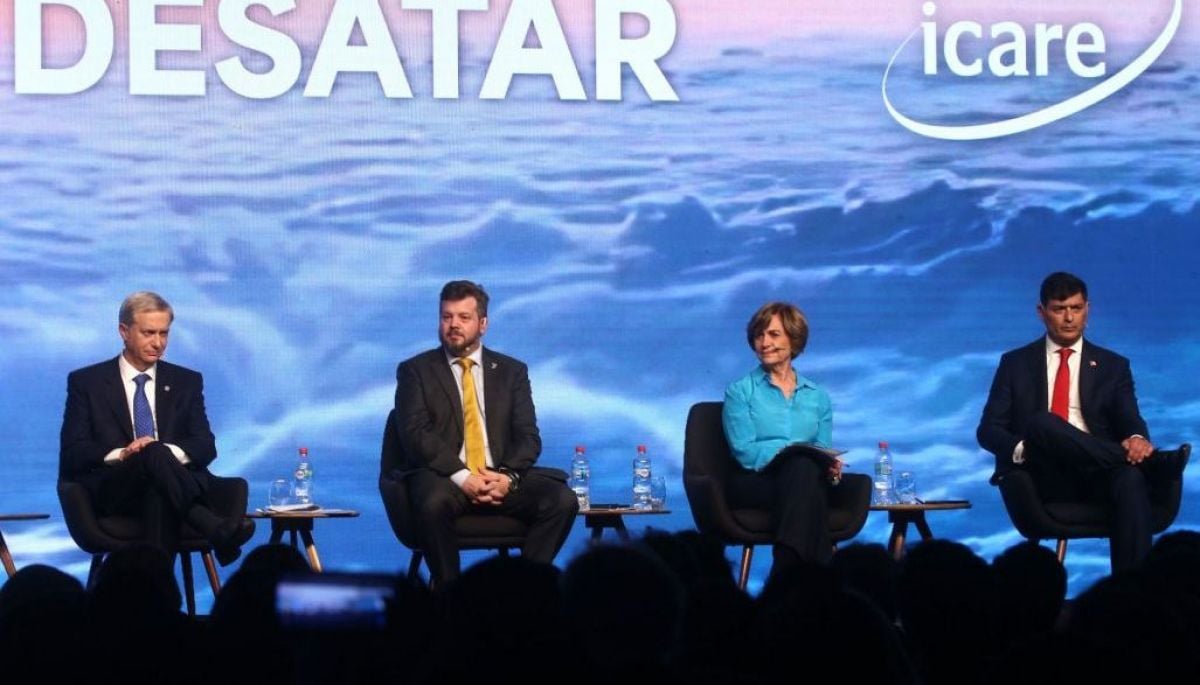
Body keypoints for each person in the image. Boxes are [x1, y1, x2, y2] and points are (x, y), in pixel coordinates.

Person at [977, 272, 1190, 572]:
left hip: (1100, 476)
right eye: (1059, 309)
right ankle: (1151, 464)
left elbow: (1129, 419)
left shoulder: (1114, 366)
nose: (1068, 318)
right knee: (1041, 423)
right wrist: (1026, 450)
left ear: (1087, 309)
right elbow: (988, 430)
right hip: (1044, 476)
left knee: (1130, 479)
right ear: (1042, 312)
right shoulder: (1015, 364)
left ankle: (1134, 595)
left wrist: (1137, 439)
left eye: (1076, 309)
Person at [392, 280, 577, 585]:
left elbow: (528, 436)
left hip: (499, 477)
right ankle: (451, 600)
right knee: (432, 503)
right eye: (446, 316)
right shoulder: (415, 371)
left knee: (562, 501)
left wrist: (507, 478)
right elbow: (415, 435)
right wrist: (464, 478)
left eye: (463, 318)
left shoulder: (511, 371)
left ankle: (524, 591)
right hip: (447, 477)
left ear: (483, 324)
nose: (453, 325)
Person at [59, 291, 253, 566]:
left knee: (157, 481)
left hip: (168, 489)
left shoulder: (186, 381)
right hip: (116, 491)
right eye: (149, 333)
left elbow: (205, 446)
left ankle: (152, 601)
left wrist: (161, 452)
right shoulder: (87, 382)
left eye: (164, 333)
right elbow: (73, 451)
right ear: (124, 331)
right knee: (150, 456)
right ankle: (210, 525)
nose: (158, 343)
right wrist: (124, 454)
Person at [722, 301, 844, 569]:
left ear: (794, 338)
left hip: (802, 481)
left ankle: (788, 567)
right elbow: (744, 451)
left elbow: (823, 449)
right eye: (758, 335)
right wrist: (791, 450)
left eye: (773, 334)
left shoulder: (818, 396)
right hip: (755, 481)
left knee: (804, 471)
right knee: (801, 468)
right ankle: (823, 578)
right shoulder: (740, 391)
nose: (764, 342)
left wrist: (832, 468)